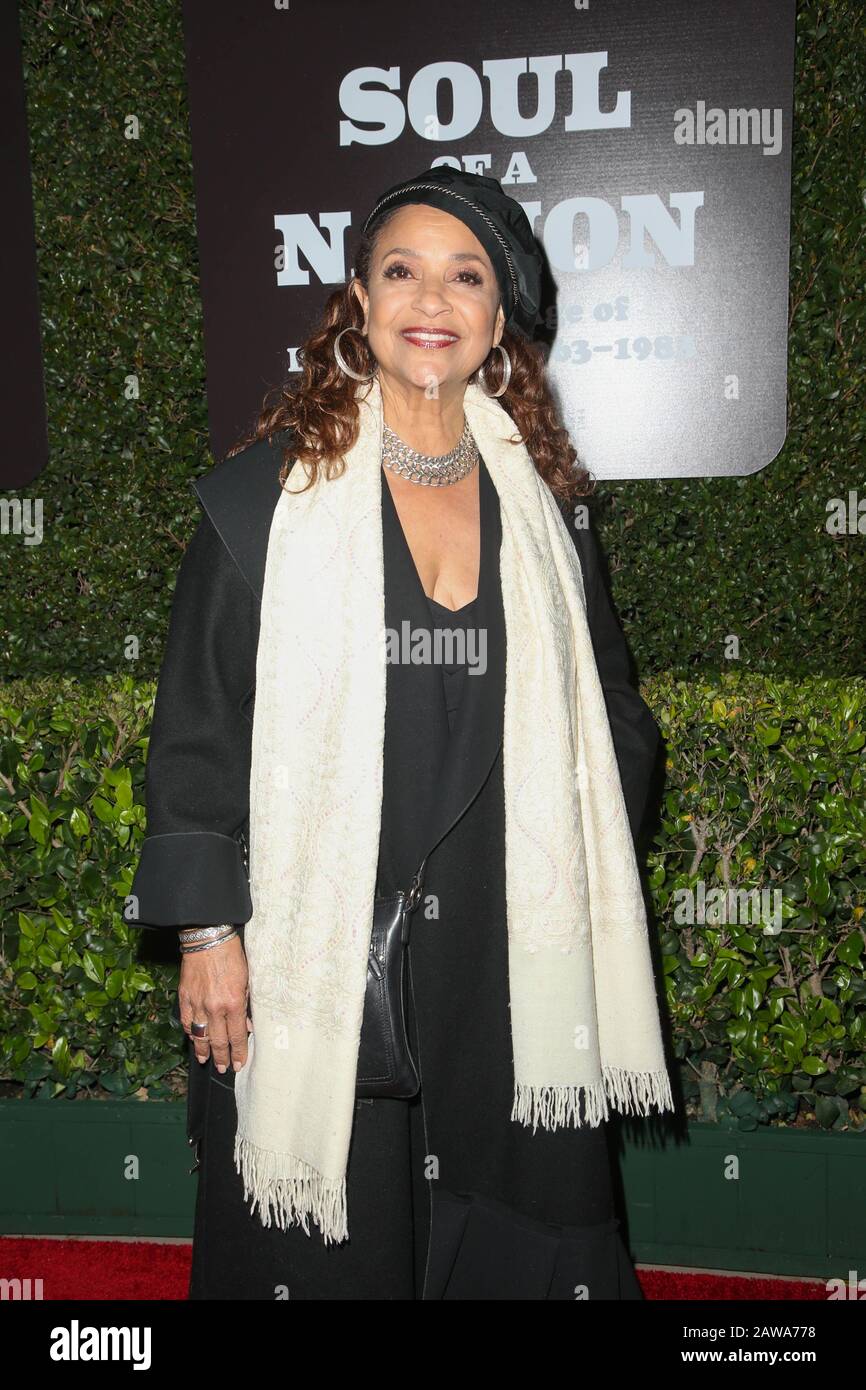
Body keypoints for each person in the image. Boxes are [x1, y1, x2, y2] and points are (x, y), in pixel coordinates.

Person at [128, 166, 672, 1300]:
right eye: (401, 271)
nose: (431, 299)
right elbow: (195, 734)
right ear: (359, 306)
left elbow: (616, 715)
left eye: (464, 276)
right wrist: (204, 933)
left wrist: (573, 856)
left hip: (507, 948)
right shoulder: (260, 501)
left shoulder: (548, 512)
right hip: (320, 941)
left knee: (512, 1219)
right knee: (338, 1246)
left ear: (497, 319)